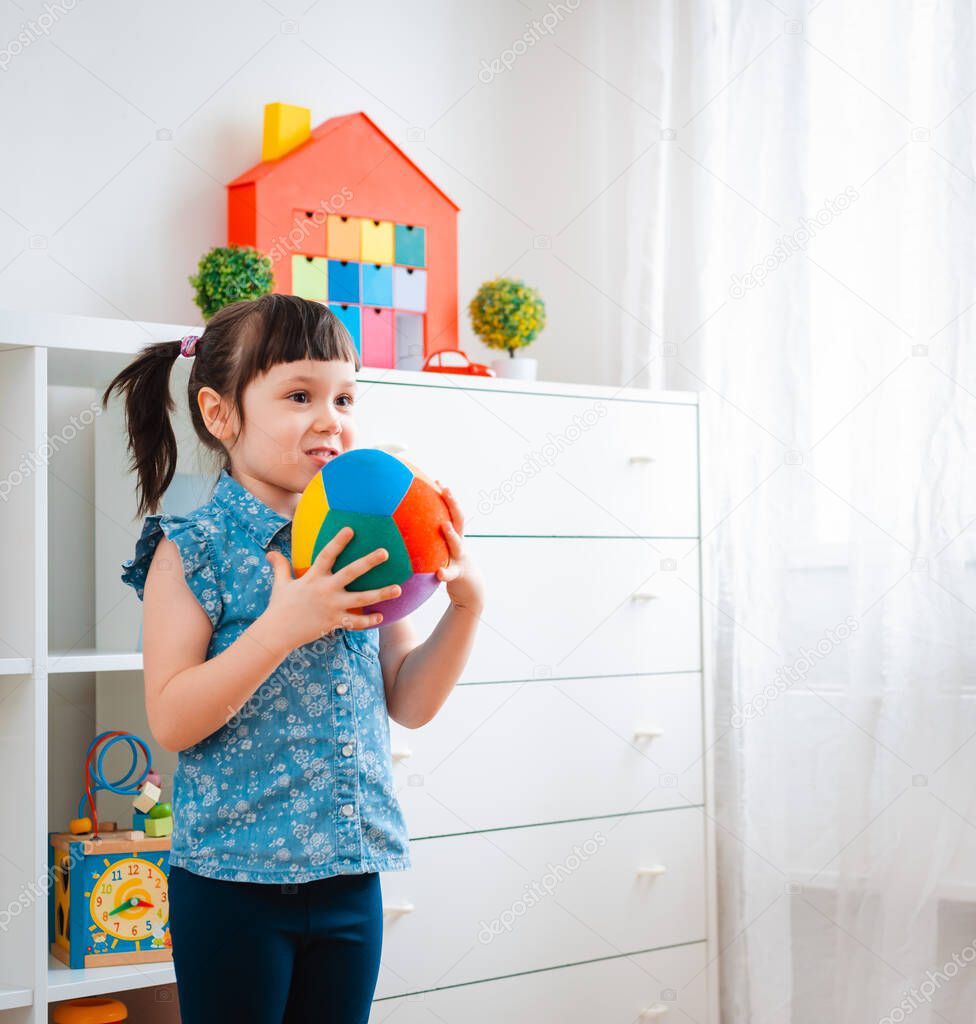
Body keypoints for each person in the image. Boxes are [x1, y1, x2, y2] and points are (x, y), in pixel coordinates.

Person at [104, 293, 484, 1023]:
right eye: (300, 394)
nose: (330, 418)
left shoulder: (368, 545)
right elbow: (173, 718)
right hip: (230, 884)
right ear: (221, 415)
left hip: (349, 877)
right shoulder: (194, 551)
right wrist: (282, 629)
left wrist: (466, 608)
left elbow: (407, 700)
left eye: (345, 395)